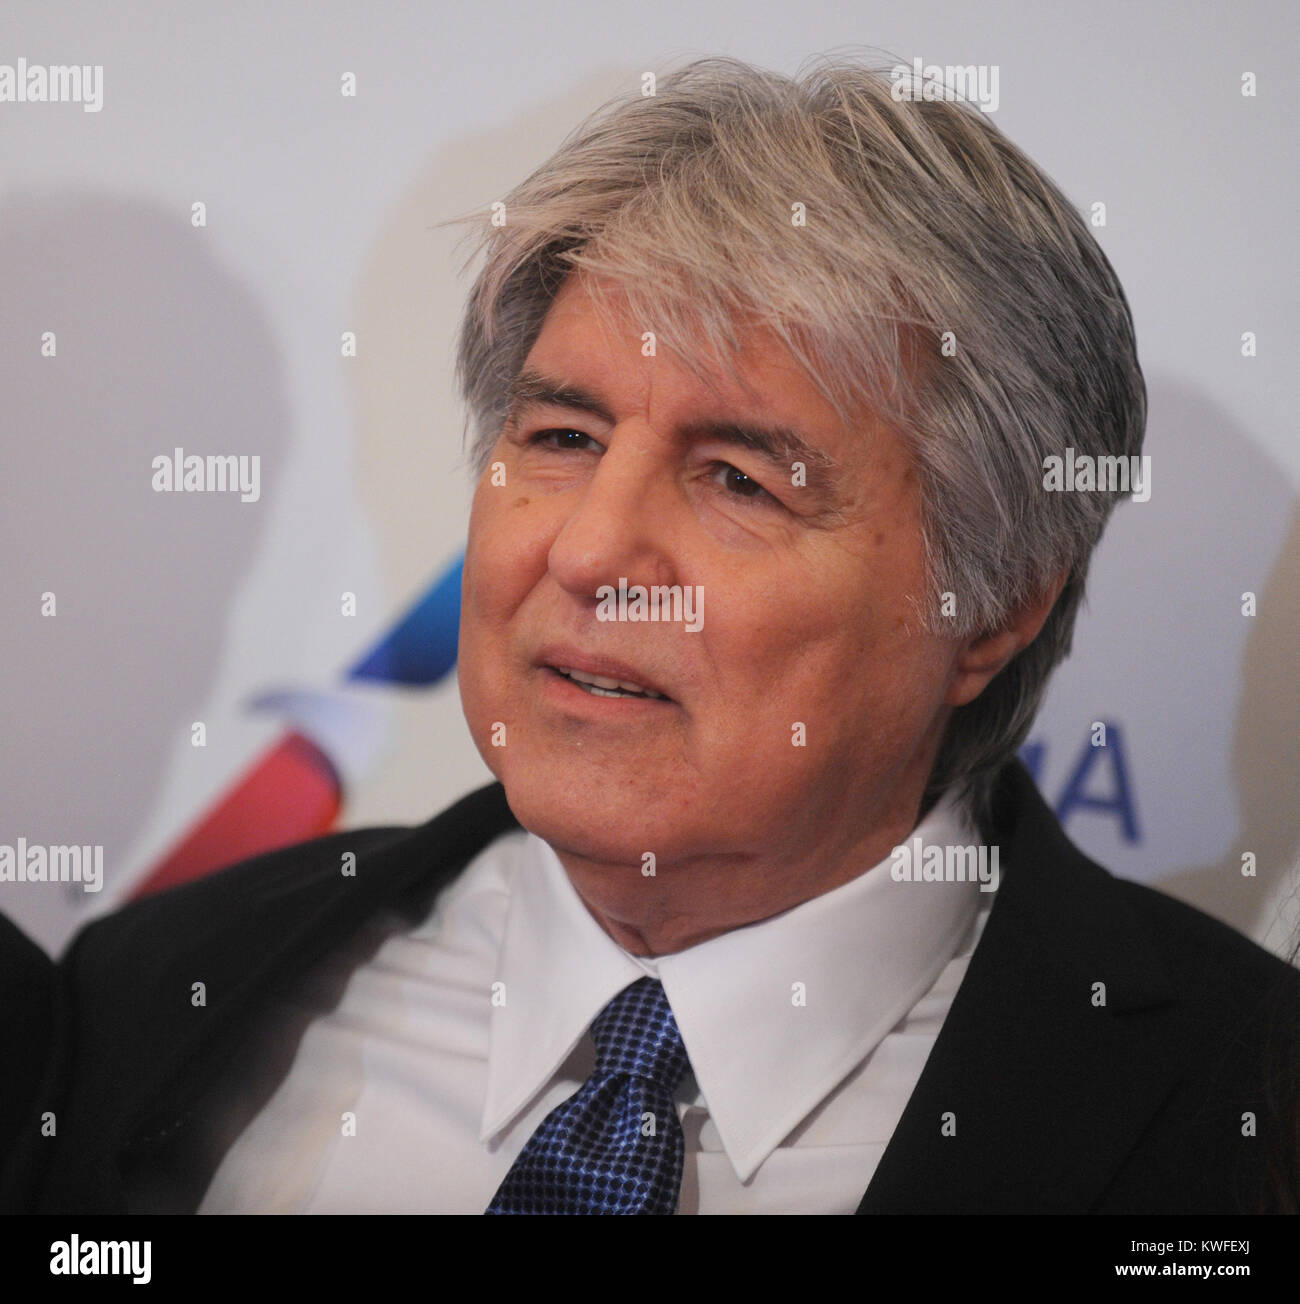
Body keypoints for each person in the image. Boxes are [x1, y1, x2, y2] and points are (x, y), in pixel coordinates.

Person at [18, 55, 1299, 1214]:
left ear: (997, 603)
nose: (585, 553)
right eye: (562, 437)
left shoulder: (1240, 1112)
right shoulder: (155, 988)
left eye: (740, 477)